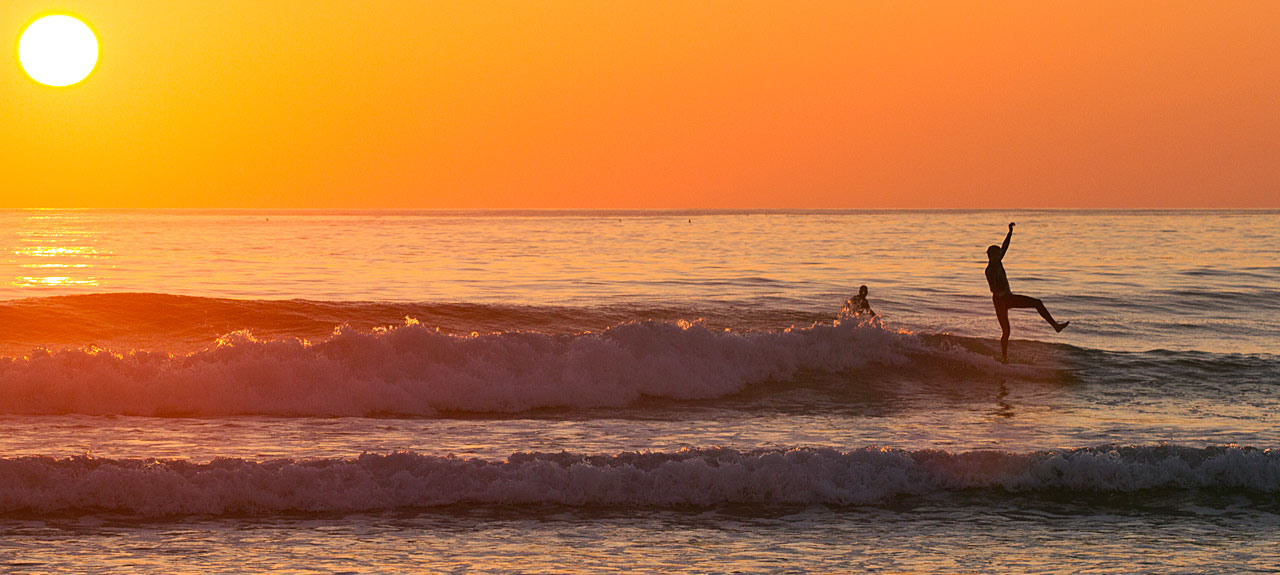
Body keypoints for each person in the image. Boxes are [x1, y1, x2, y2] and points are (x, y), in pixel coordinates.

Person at [986, 222, 1068, 362]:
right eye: (997, 254)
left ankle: (1056, 326)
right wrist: (998, 290)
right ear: (991, 256)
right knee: (1007, 330)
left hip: (1006, 298)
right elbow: (992, 288)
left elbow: (1005, 247)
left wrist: (1010, 232)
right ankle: (1004, 358)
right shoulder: (990, 270)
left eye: (1000, 254)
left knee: (1037, 304)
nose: (1000, 255)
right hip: (1001, 300)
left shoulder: (998, 262)